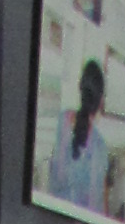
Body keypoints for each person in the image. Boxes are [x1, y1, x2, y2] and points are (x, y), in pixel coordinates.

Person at [46, 56, 109, 215]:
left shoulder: (63, 120)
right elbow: (95, 204)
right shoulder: (98, 145)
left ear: (80, 89)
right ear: (101, 100)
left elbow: (55, 176)